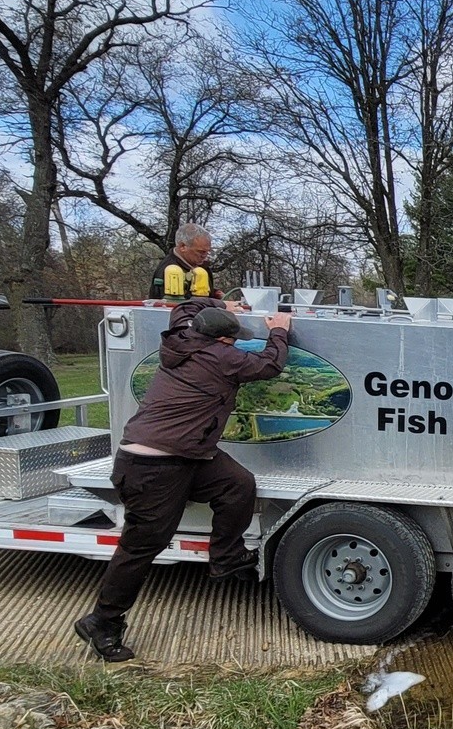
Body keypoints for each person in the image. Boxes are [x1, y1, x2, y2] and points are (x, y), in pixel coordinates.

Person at [73, 298, 293, 662]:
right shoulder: (220, 358)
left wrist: (222, 303)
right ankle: (103, 622)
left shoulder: (181, 336)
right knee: (141, 548)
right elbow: (270, 364)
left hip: (188, 455)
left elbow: (184, 308)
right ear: (222, 341)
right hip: (152, 467)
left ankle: (225, 556)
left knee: (236, 484)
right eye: (233, 339)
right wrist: (279, 330)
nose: (236, 344)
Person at [149, 222, 219, 300]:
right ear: (183, 246)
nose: (205, 256)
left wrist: (216, 294)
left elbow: (204, 295)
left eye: (208, 251)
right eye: (201, 252)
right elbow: (180, 307)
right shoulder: (168, 271)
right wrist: (220, 304)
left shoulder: (202, 267)